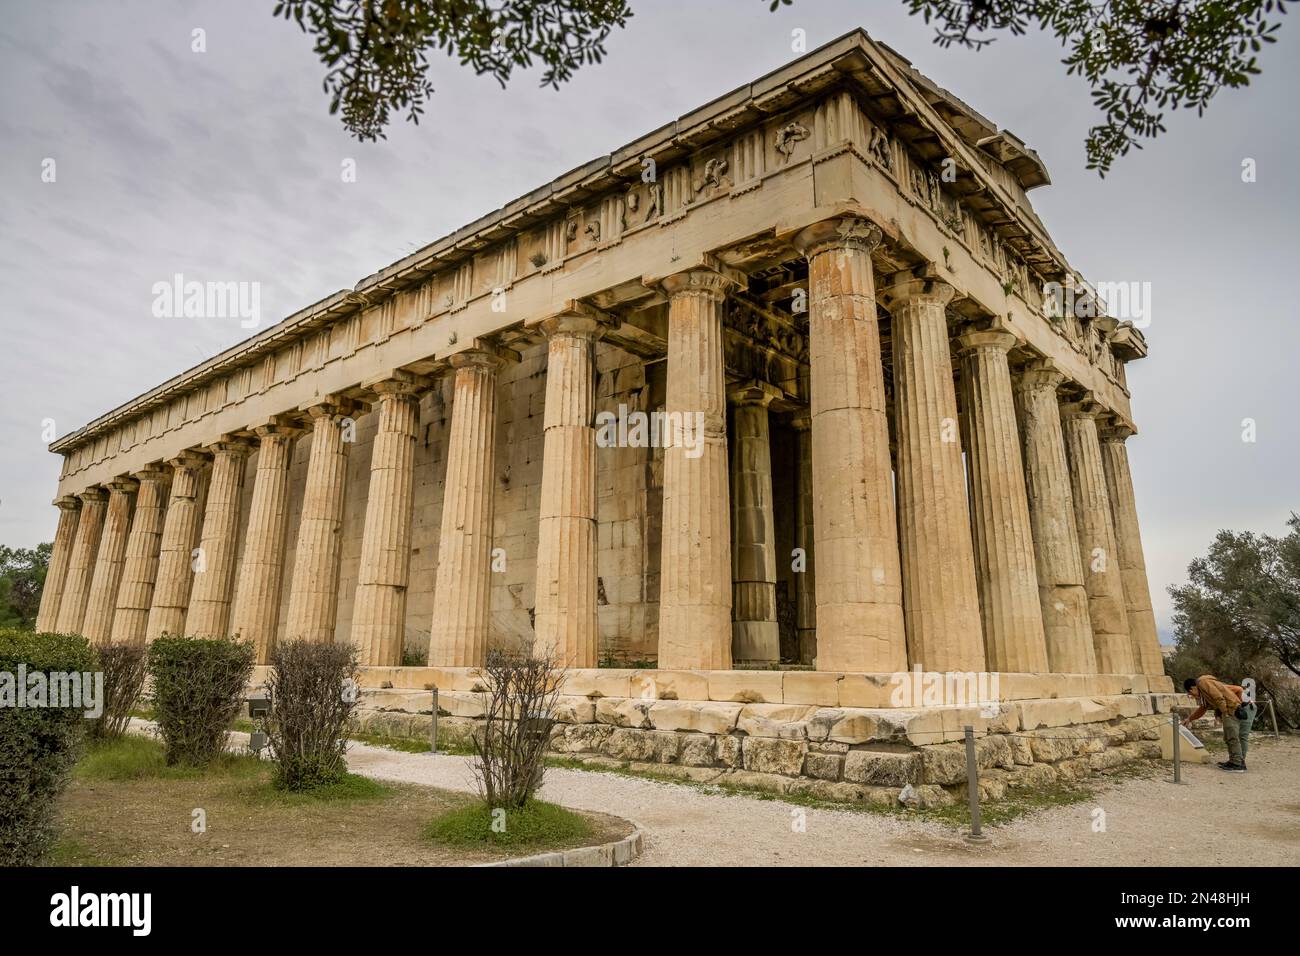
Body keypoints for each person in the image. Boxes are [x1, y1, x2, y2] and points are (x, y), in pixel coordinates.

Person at [1182, 675, 1256, 772]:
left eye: (1190, 693)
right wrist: (1189, 719)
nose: (1193, 696)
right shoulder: (1205, 689)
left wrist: (1226, 712)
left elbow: (1218, 697)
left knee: (1235, 736)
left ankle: (1238, 763)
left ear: (1192, 688)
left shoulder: (1203, 682)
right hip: (1230, 710)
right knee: (1229, 737)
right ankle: (1233, 761)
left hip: (1233, 709)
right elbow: (1203, 707)